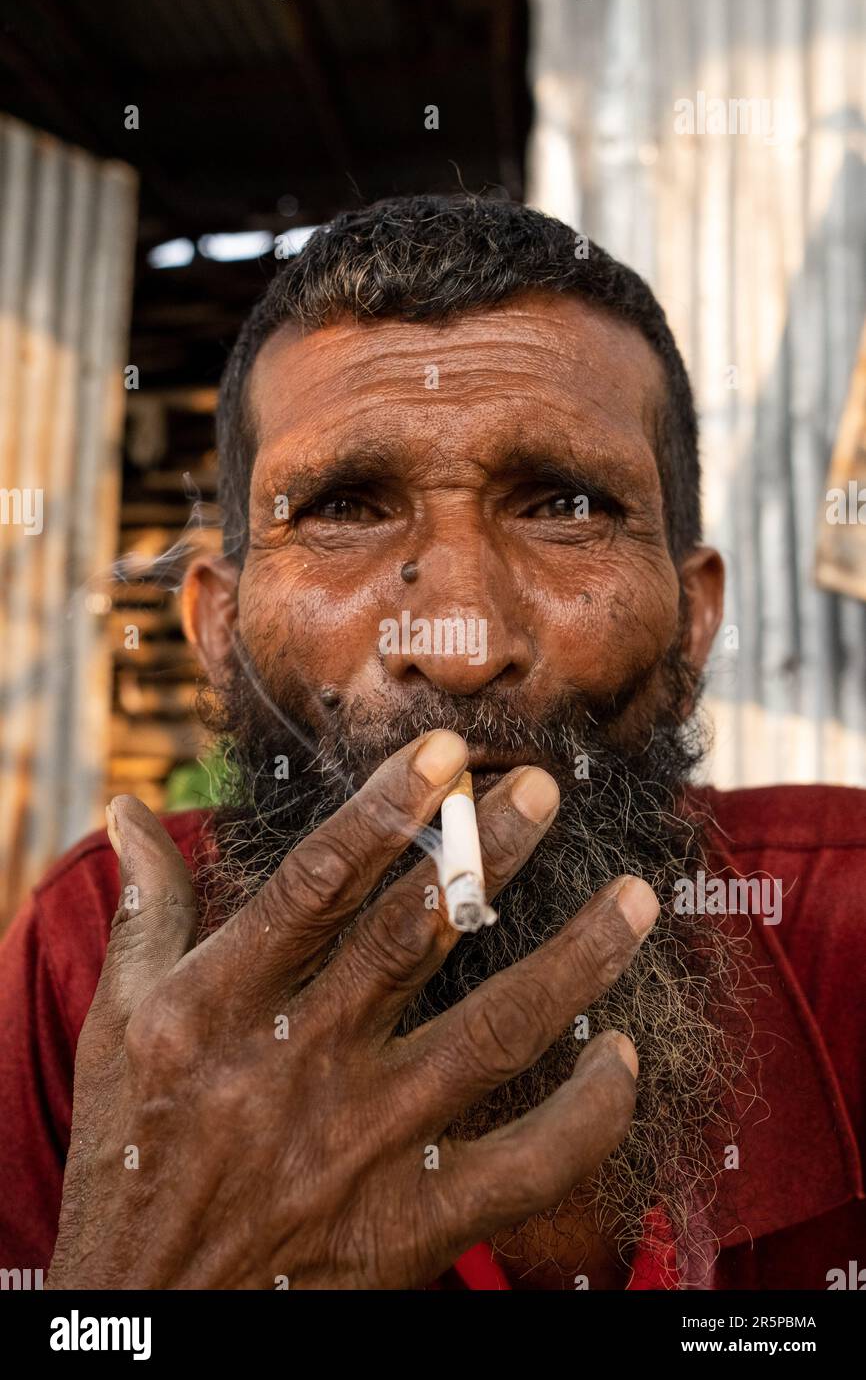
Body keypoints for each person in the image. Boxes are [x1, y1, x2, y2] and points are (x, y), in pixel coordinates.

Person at [1, 195, 863, 1291]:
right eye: (343, 509)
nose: (457, 643)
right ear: (219, 628)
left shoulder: (845, 927)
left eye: (564, 504)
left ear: (693, 619)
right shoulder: (85, 971)